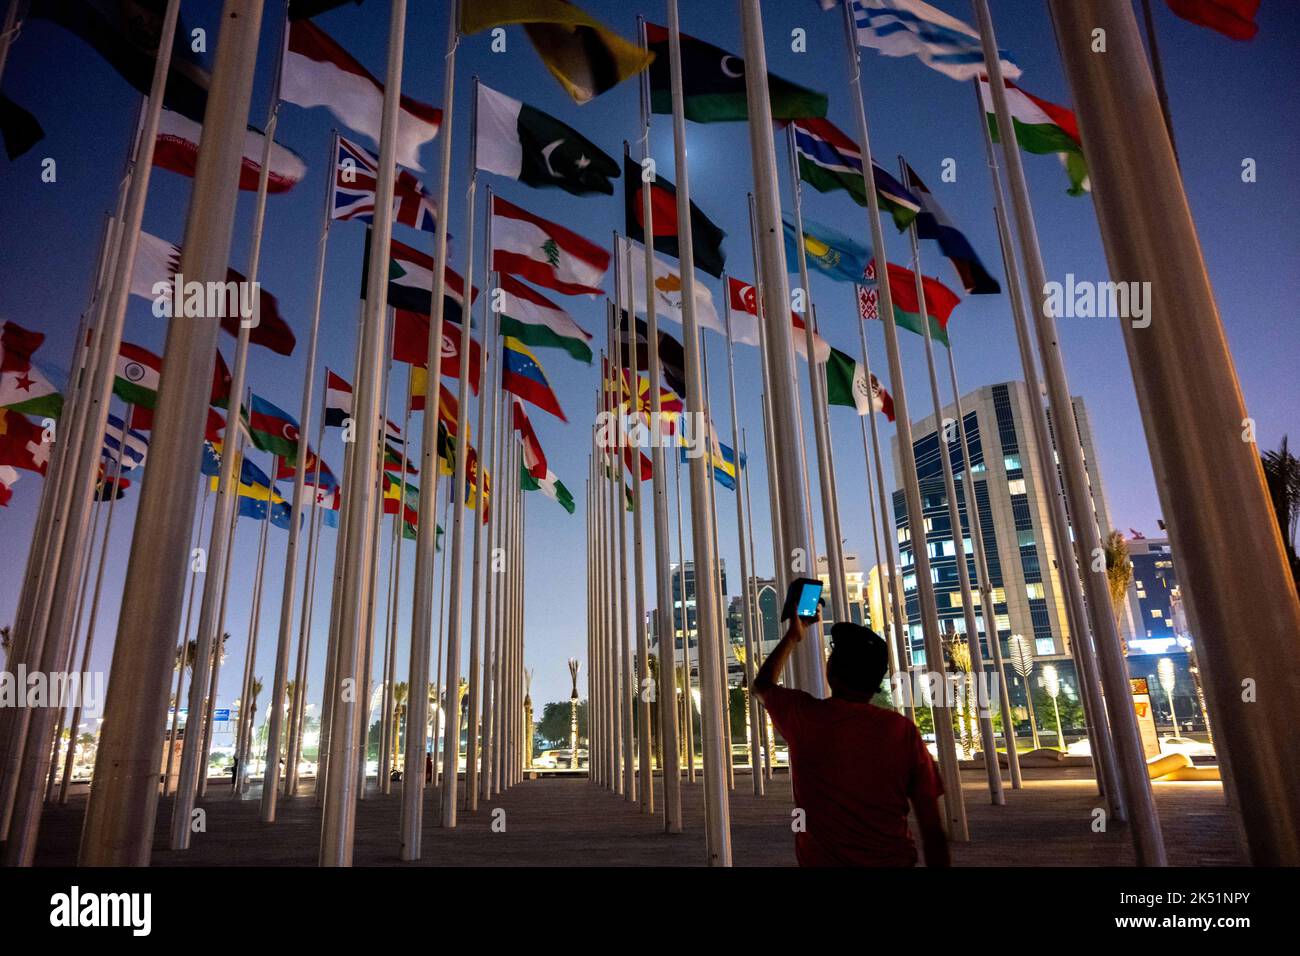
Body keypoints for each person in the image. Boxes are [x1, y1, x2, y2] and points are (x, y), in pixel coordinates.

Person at [753, 613, 950, 867]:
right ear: (876, 682)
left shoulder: (804, 717)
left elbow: (761, 685)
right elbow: (932, 830)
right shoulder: (902, 731)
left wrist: (793, 636)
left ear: (832, 671)